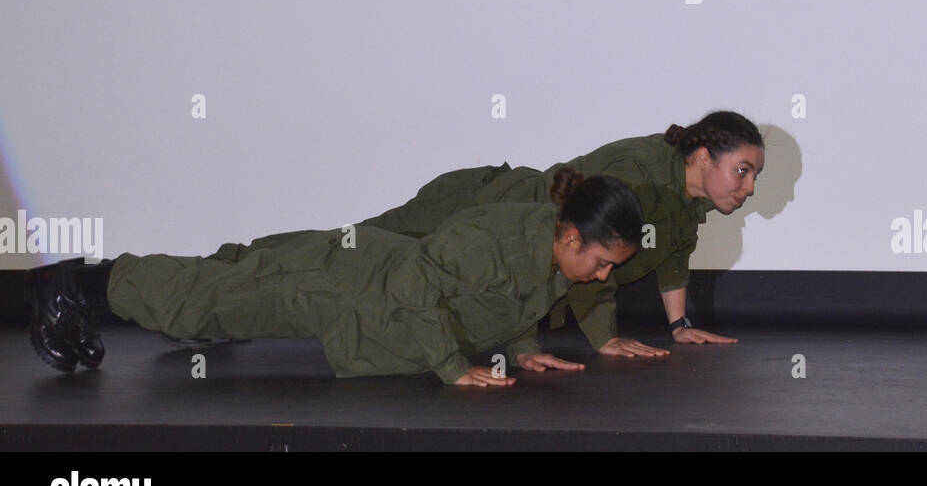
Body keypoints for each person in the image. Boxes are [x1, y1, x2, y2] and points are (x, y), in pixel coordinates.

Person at [211, 110, 765, 358]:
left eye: (754, 174)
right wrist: (602, 339)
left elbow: (673, 257)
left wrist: (681, 324)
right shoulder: (635, 175)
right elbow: (591, 261)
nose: (750, 187)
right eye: (743, 170)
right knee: (351, 248)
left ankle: (233, 277)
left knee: (356, 258)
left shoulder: (683, 201)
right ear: (700, 156)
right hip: (477, 207)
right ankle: (233, 265)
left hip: (496, 242)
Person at [26, 170, 642, 387]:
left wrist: (525, 349)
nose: (604, 275)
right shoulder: (498, 241)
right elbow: (414, 285)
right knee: (204, 300)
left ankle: (87, 296)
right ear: (570, 237)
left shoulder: (552, 253)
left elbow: (516, 301)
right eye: (602, 261)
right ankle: (74, 287)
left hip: (354, 296)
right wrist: (453, 368)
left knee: (222, 293)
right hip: (343, 288)